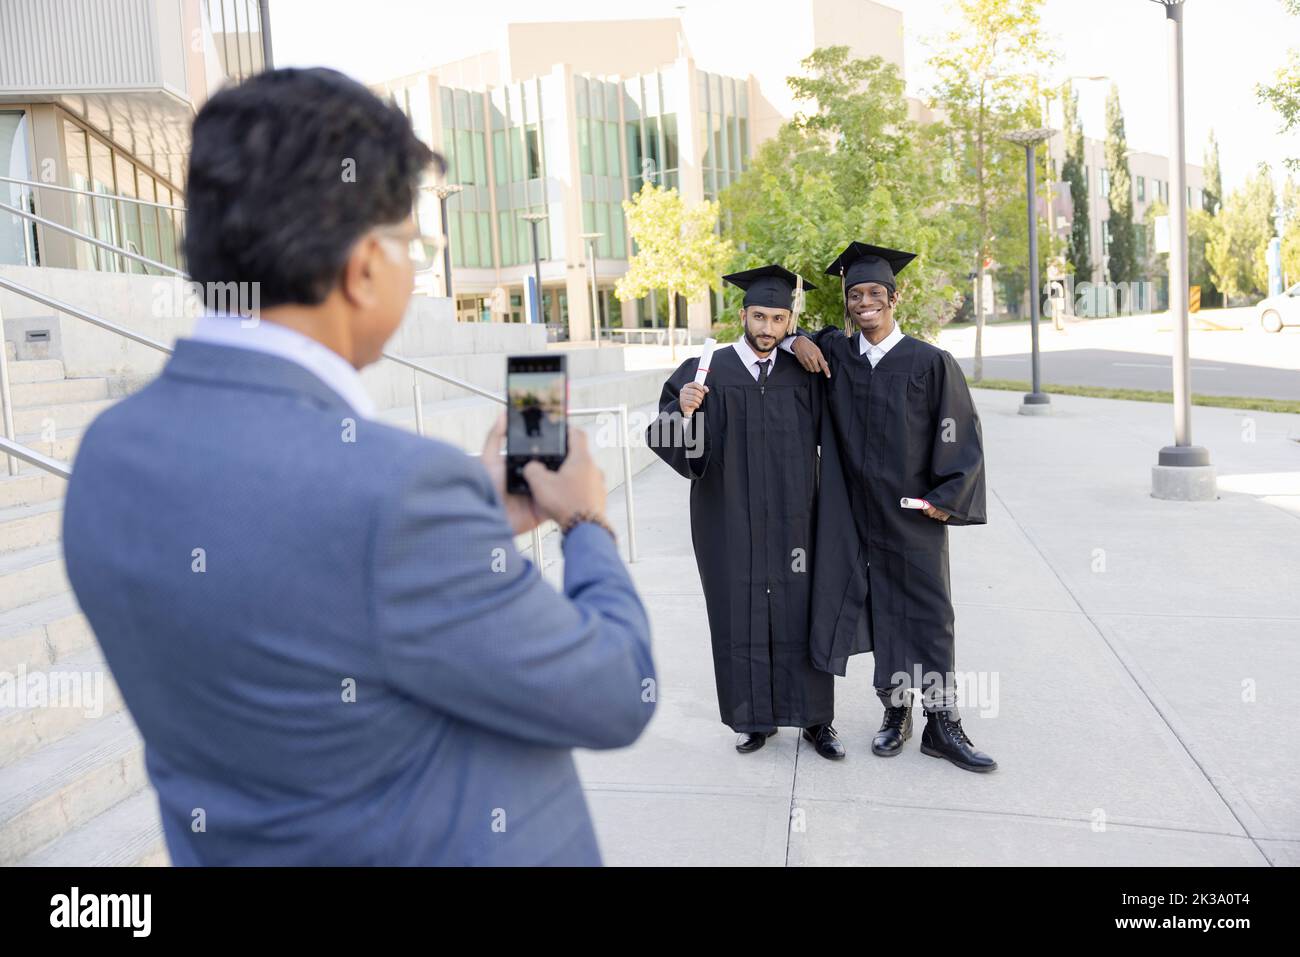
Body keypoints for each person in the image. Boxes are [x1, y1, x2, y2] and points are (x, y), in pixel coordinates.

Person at [61, 67, 656, 866]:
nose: (412, 268)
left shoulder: (107, 453)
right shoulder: (397, 495)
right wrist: (586, 519)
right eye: (410, 245)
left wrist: (469, 523)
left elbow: (313, 604)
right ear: (361, 266)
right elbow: (615, 690)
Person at [781, 241, 996, 772]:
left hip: (912, 513)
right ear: (847, 303)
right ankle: (895, 712)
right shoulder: (836, 354)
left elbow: (961, 433)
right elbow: (783, 336)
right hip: (851, 516)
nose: (864, 301)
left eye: (875, 292)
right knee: (875, 612)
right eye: (855, 294)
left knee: (928, 614)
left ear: (895, 298)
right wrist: (794, 341)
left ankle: (943, 725)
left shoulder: (930, 363)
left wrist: (946, 499)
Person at [645, 265, 843, 760]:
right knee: (738, 613)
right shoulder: (705, 370)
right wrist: (681, 413)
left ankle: (816, 720)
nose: (767, 329)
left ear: (789, 320)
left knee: (802, 610)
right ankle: (752, 718)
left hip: (798, 518)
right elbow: (665, 439)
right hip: (727, 519)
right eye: (759, 316)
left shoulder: (806, 369)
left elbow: (846, 368)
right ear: (743, 314)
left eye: (779, 319)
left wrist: (804, 340)